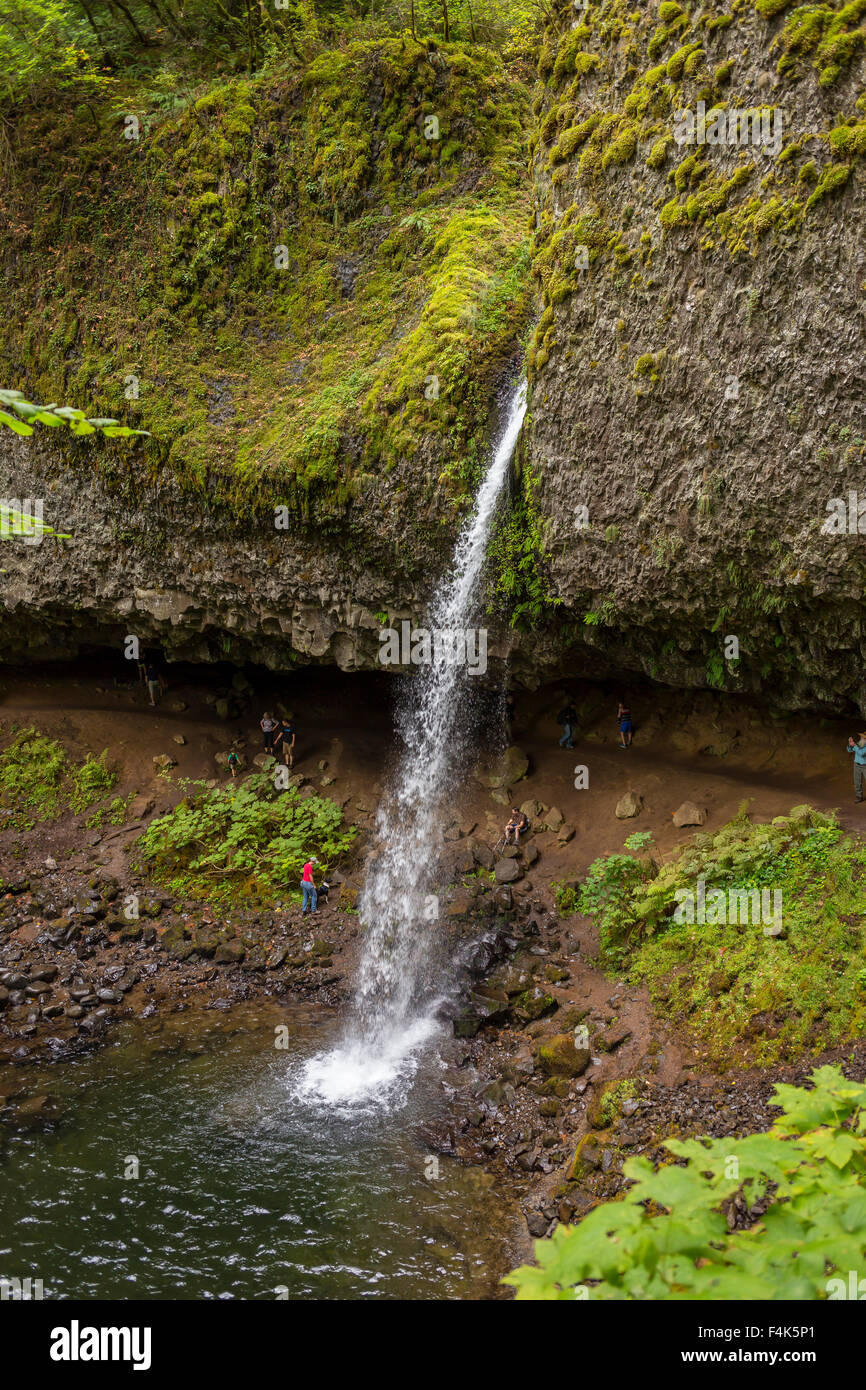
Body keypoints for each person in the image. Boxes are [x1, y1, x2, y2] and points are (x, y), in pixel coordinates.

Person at [847, 733, 866, 802]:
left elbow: (862, 753)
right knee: (857, 782)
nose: (861, 739)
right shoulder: (859, 744)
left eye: (863, 738)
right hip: (857, 765)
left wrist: (854, 745)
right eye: (861, 737)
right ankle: (859, 797)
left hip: (865, 766)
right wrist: (850, 744)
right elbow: (849, 750)